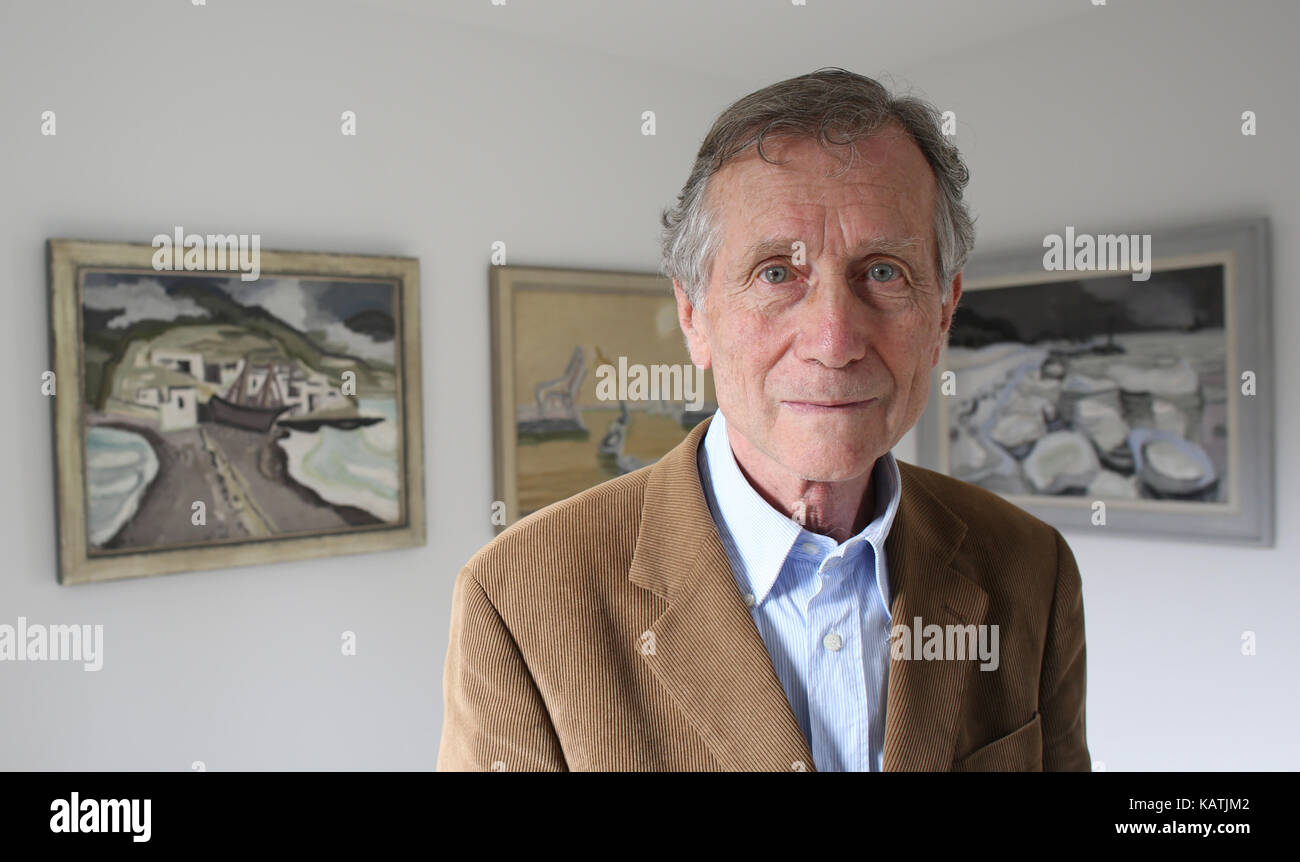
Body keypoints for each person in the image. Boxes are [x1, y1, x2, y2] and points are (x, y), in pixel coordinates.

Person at [438, 68, 1089, 771]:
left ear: (942, 314)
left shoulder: (1031, 568)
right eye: (777, 273)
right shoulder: (519, 598)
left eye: (883, 272)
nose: (835, 339)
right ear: (694, 315)